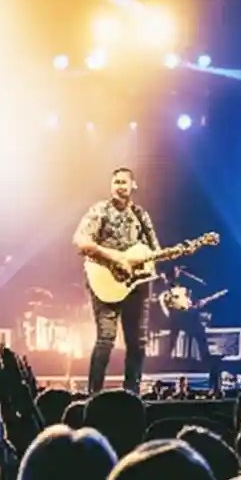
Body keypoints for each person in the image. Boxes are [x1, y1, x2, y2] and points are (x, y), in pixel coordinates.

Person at [73, 167, 161, 394]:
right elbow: (81, 241)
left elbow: (155, 250)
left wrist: (147, 263)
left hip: (136, 285)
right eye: (116, 182)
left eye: (124, 182)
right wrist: (115, 258)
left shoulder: (141, 215)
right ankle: (94, 394)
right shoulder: (100, 210)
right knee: (106, 339)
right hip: (105, 281)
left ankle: (132, 393)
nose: (120, 186)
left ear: (134, 185)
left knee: (138, 342)